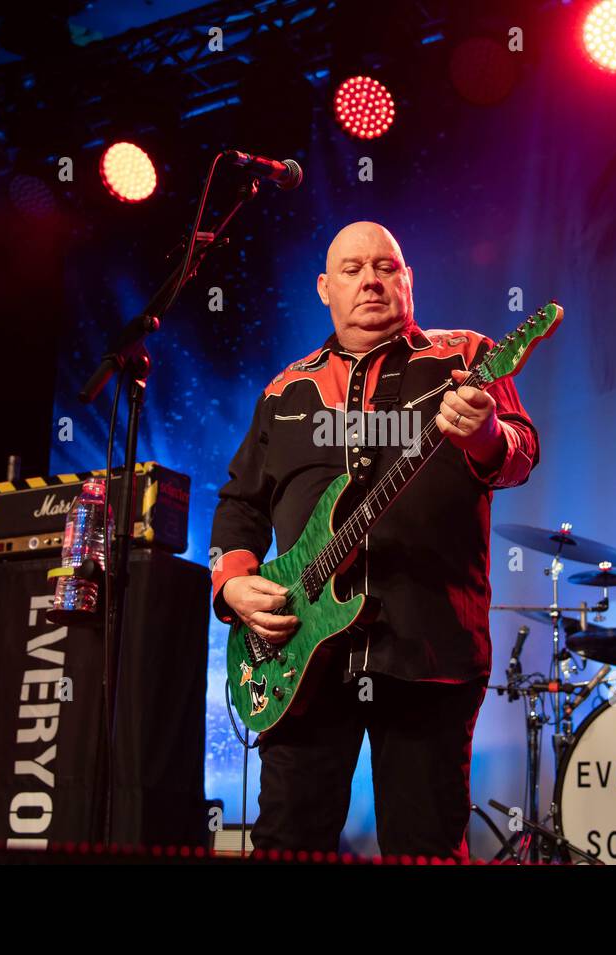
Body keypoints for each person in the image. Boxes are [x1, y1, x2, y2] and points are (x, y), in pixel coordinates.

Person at [210, 222, 540, 860]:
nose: (370, 280)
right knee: (285, 845)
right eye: (353, 269)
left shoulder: (465, 358)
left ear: (408, 280)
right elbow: (239, 504)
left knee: (424, 848)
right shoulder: (285, 392)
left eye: (386, 267)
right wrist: (234, 582)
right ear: (324, 288)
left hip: (429, 650)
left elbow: (520, 454)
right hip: (297, 657)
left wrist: (484, 436)